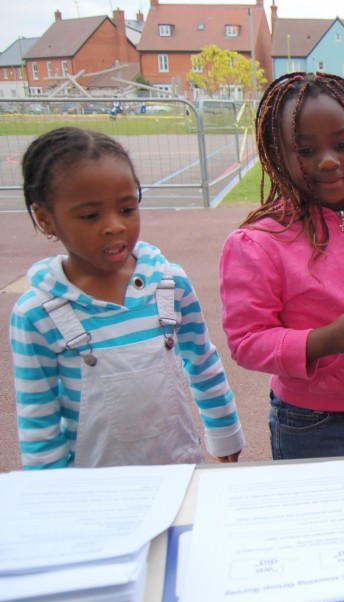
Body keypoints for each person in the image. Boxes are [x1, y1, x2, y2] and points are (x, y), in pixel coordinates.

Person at [219, 72, 344, 459]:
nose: (329, 160)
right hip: (308, 422)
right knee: (318, 517)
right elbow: (247, 341)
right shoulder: (259, 244)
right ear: (277, 154)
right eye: (306, 150)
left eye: (343, 144)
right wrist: (321, 341)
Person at [11, 127, 244, 468]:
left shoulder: (169, 284)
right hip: (93, 491)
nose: (114, 226)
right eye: (90, 215)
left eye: (126, 209)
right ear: (46, 219)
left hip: (179, 470)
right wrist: (53, 497)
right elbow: (38, 419)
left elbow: (203, 362)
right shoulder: (36, 313)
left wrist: (224, 431)